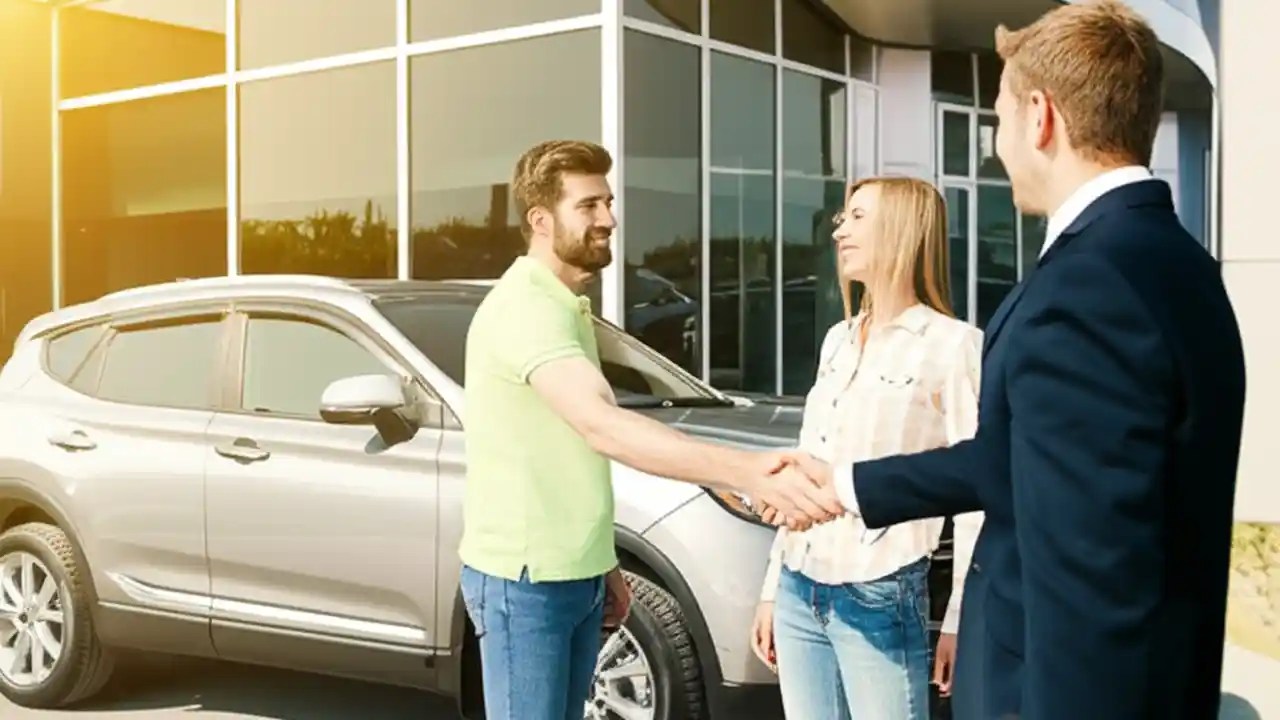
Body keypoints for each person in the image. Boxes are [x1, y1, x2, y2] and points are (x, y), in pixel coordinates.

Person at [774, 2, 1246, 719]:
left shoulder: (1091, 286)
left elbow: (1092, 578)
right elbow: (1025, 463)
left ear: (1039, 116)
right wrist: (846, 484)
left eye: (997, 119)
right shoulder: (1176, 264)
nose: (996, 147)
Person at [458, 139, 842, 720]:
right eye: (588, 205)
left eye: (608, 202)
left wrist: (602, 563)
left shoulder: (565, 306)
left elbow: (561, 454)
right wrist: (747, 471)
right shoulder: (524, 309)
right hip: (527, 581)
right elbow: (602, 427)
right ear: (540, 220)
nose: (608, 219)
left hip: (574, 573)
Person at [749, 176, 985, 720]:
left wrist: (960, 619)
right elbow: (806, 467)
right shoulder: (837, 339)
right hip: (800, 588)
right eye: (842, 218)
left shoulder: (953, 346)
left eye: (857, 218)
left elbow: (976, 492)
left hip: (882, 593)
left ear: (902, 229)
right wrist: (772, 588)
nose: (839, 232)